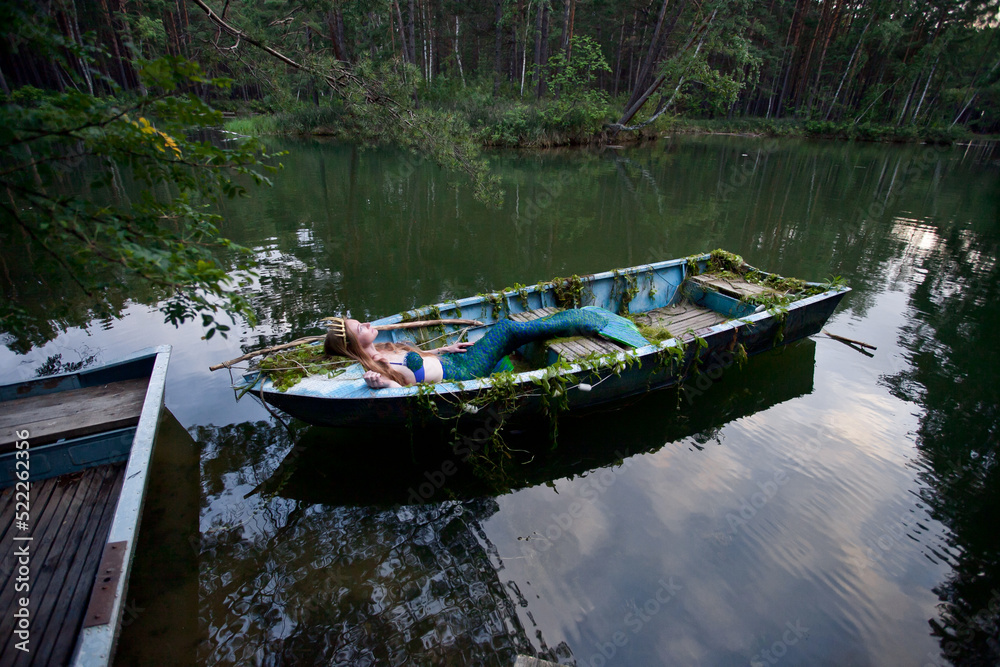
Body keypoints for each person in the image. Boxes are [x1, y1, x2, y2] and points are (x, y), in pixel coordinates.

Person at [325, 306, 650, 390]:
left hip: (456, 363)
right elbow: (392, 386)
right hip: (465, 374)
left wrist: (446, 349)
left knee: (505, 332)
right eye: (359, 328)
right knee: (507, 327)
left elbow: (418, 364)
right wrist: (378, 383)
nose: (367, 324)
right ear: (354, 345)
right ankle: (590, 321)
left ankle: (575, 321)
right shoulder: (377, 371)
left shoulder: (382, 350)